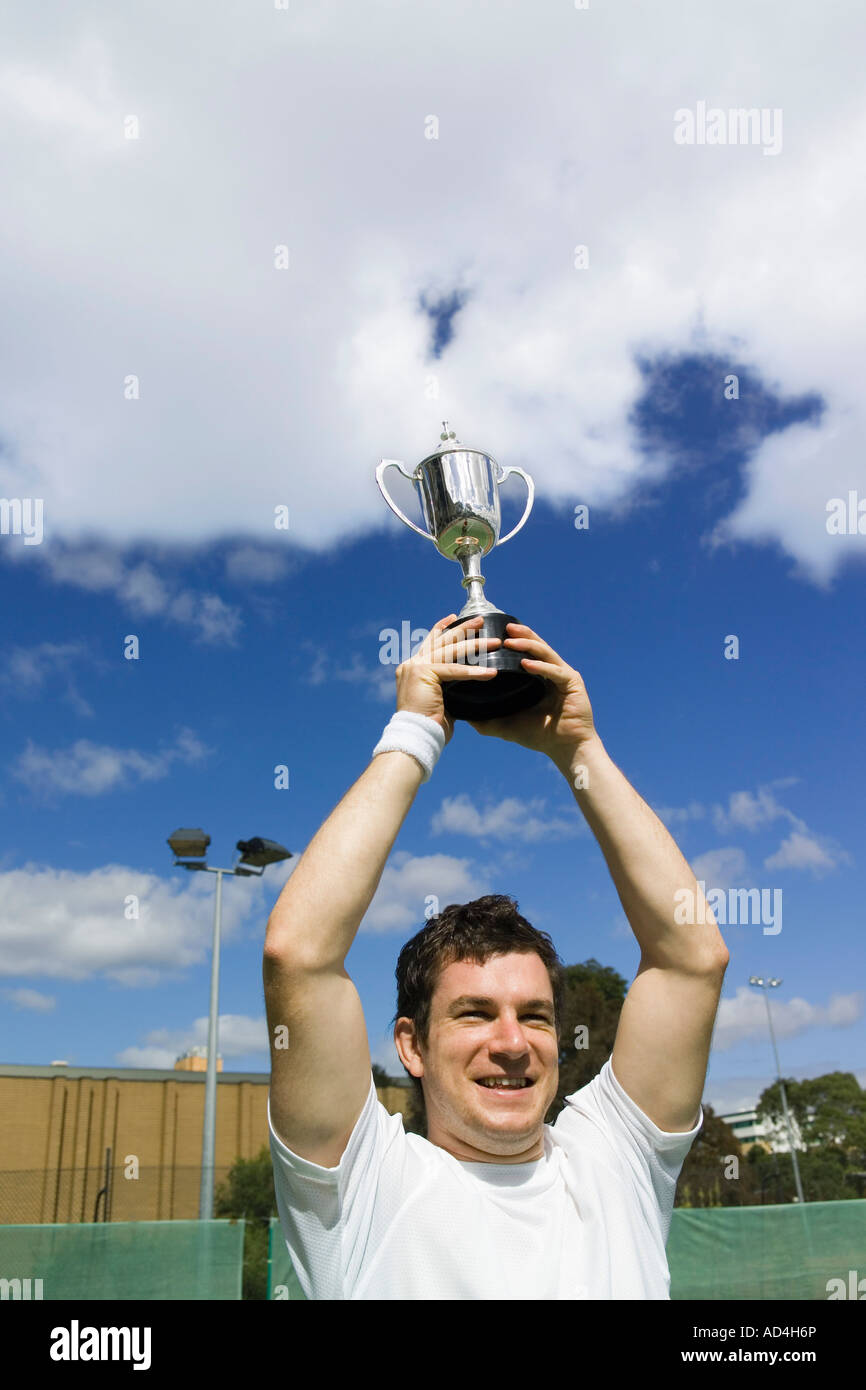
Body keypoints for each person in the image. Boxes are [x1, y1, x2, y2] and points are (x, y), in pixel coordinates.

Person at [264, 614, 729, 1299]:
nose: (513, 1043)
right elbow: (297, 955)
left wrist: (579, 749)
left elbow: (693, 956)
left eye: (536, 1016)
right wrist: (414, 734)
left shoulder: (614, 1162)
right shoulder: (361, 1185)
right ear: (411, 1045)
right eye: (475, 1014)